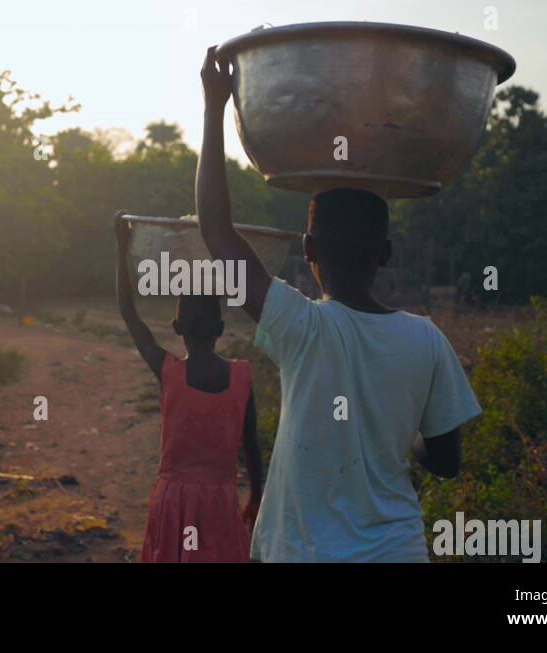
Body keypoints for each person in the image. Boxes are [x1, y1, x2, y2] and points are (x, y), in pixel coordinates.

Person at [195, 47, 482, 562]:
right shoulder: (428, 339)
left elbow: (217, 234)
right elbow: (445, 462)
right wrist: (404, 433)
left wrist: (215, 107)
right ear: (388, 254)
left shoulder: (299, 325)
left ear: (308, 251)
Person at [114, 213, 263, 562]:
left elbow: (129, 314)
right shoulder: (242, 377)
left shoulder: (168, 371)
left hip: (173, 501)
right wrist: (256, 495)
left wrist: (121, 248)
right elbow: (252, 446)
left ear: (177, 326)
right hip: (221, 502)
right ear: (222, 328)